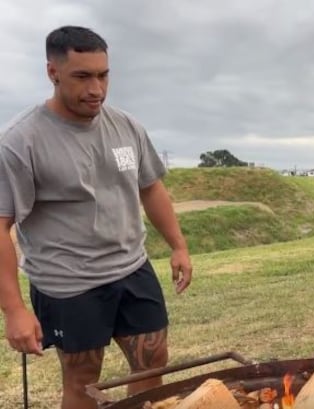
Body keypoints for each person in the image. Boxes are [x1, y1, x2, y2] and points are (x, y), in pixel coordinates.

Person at [0, 26, 192, 409]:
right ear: (52, 72)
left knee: (152, 362)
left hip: (131, 268)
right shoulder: (21, 141)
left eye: (103, 75)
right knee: (84, 380)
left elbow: (150, 187)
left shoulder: (126, 127)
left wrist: (178, 246)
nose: (96, 89)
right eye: (82, 77)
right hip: (68, 283)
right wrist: (15, 310)